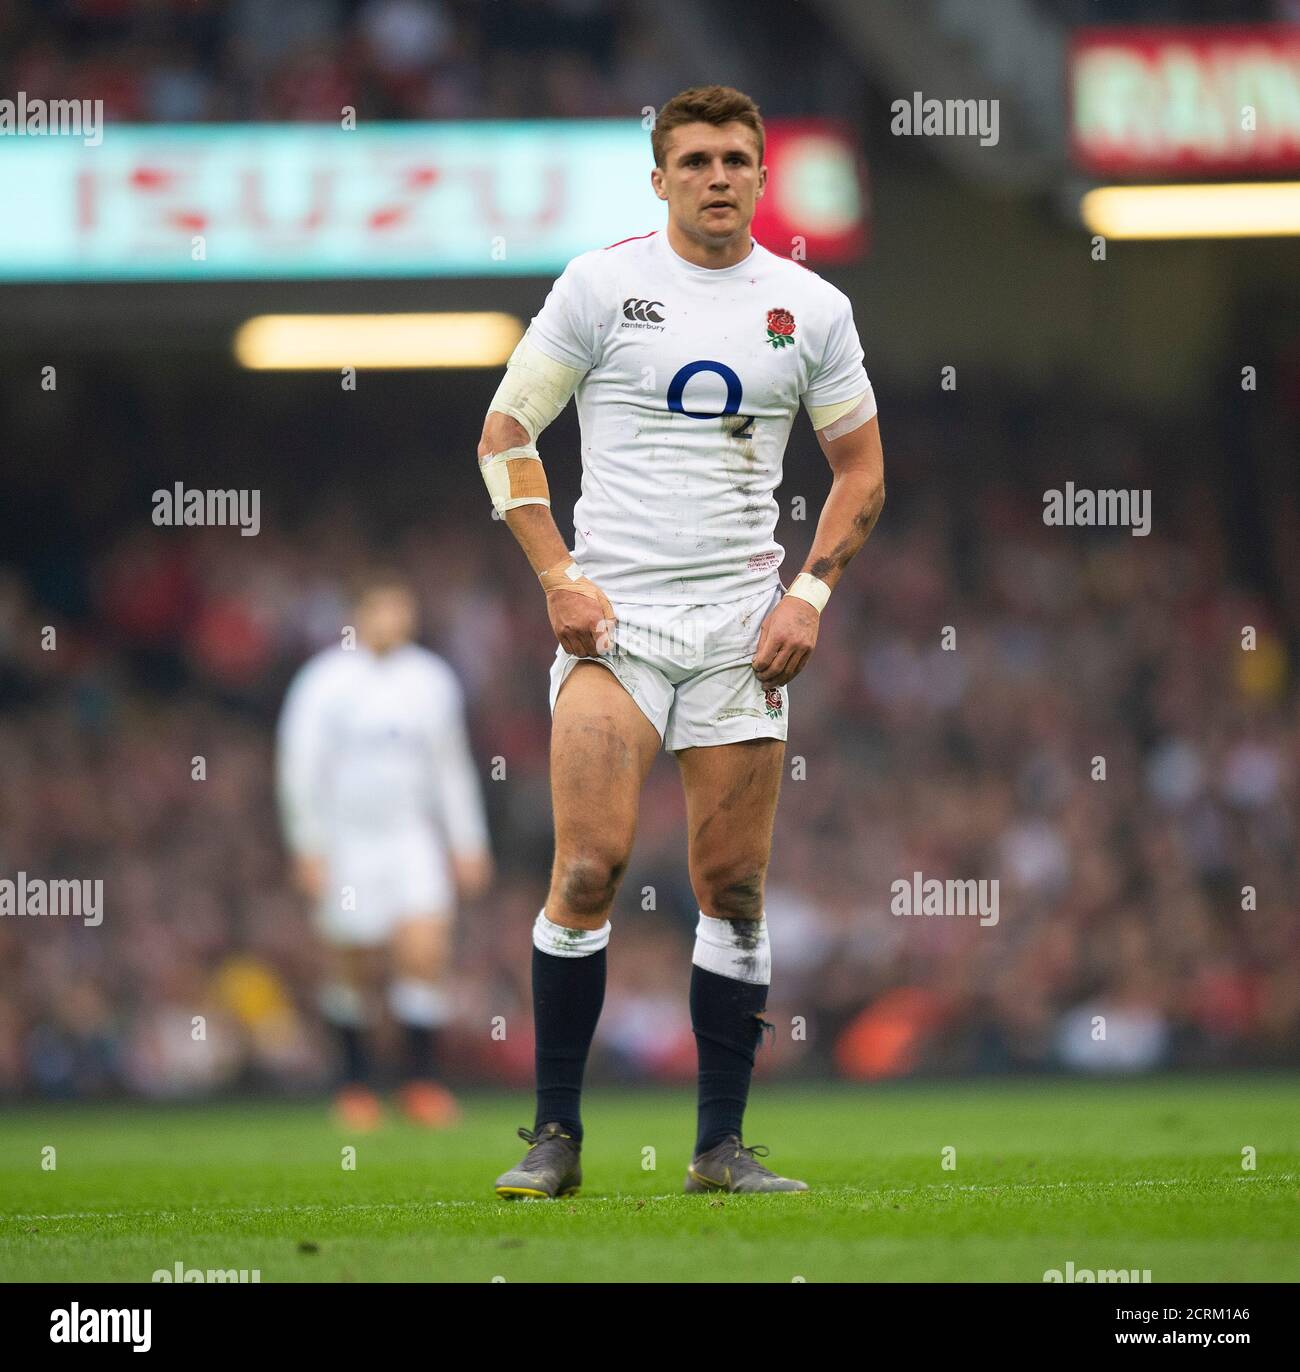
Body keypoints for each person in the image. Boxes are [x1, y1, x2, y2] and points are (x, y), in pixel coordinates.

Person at [477, 85, 884, 1196]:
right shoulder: (601, 286)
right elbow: (506, 432)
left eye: (736, 159)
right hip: (615, 617)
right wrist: (556, 574)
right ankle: (553, 1136)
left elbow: (861, 469)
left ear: (763, 176)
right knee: (589, 862)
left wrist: (809, 593)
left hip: (742, 630)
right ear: (658, 178)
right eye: (695, 158)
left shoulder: (811, 307)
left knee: (735, 890)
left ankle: (719, 1149)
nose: (717, 175)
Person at [276, 572, 492, 1129]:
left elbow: (451, 767)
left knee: (424, 951)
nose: (394, 622)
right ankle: (354, 1083)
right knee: (354, 961)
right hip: (347, 840)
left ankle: (420, 1082)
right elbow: (299, 768)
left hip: (410, 836)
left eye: (402, 610)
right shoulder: (323, 682)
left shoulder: (431, 679)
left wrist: (467, 842)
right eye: (383, 611)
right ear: (358, 615)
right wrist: (308, 844)